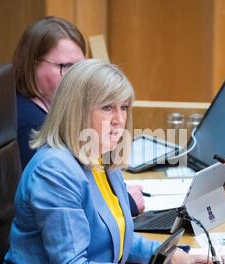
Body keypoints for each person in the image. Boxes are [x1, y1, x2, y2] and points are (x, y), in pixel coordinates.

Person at [0, 59, 216, 264]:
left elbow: (117, 238)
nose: (119, 119)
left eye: (123, 107)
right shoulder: (54, 171)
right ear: (77, 110)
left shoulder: (101, 157)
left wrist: (177, 256)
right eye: (107, 108)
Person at [13, 16, 145, 214]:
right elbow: (72, 199)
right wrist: (127, 203)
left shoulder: (56, 113)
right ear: (31, 65)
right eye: (65, 67)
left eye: (80, 66)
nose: (77, 76)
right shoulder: (32, 126)